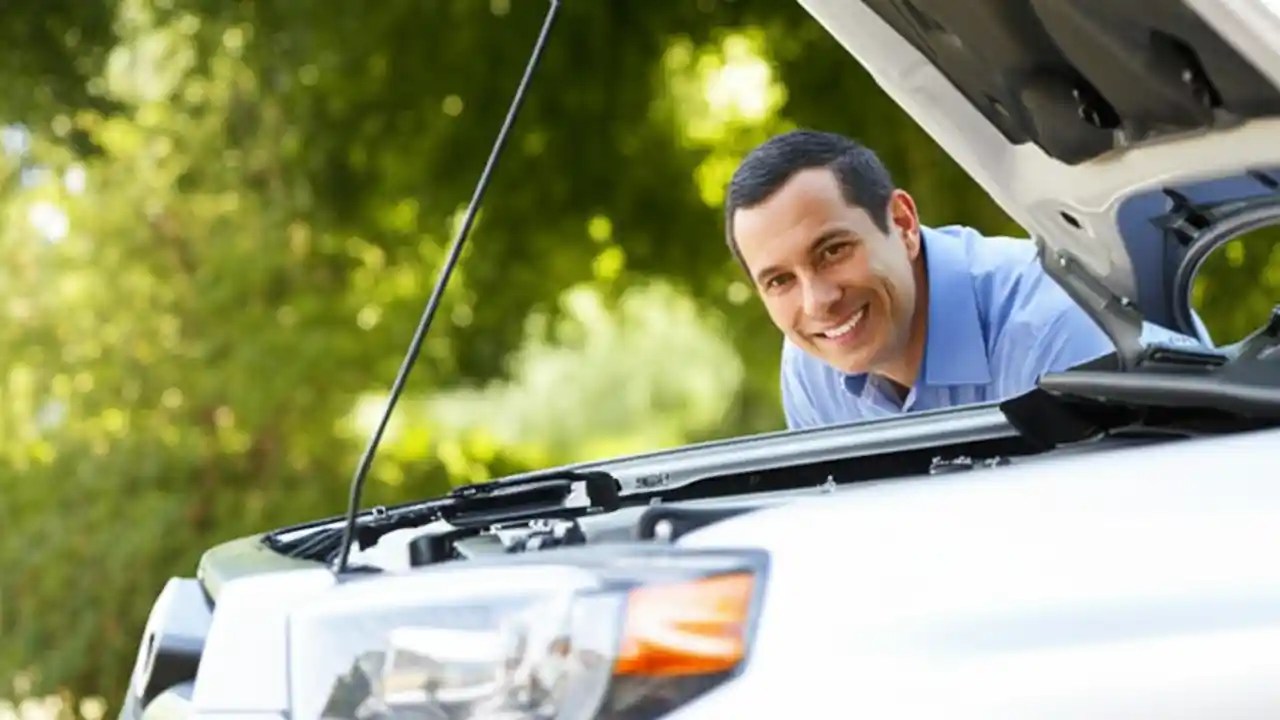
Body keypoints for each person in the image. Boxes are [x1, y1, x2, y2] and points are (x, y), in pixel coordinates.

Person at [723, 129, 1118, 429]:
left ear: (902, 224)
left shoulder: (1054, 325)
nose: (817, 303)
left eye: (833, 251)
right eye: (779, 281)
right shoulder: (810, 367)